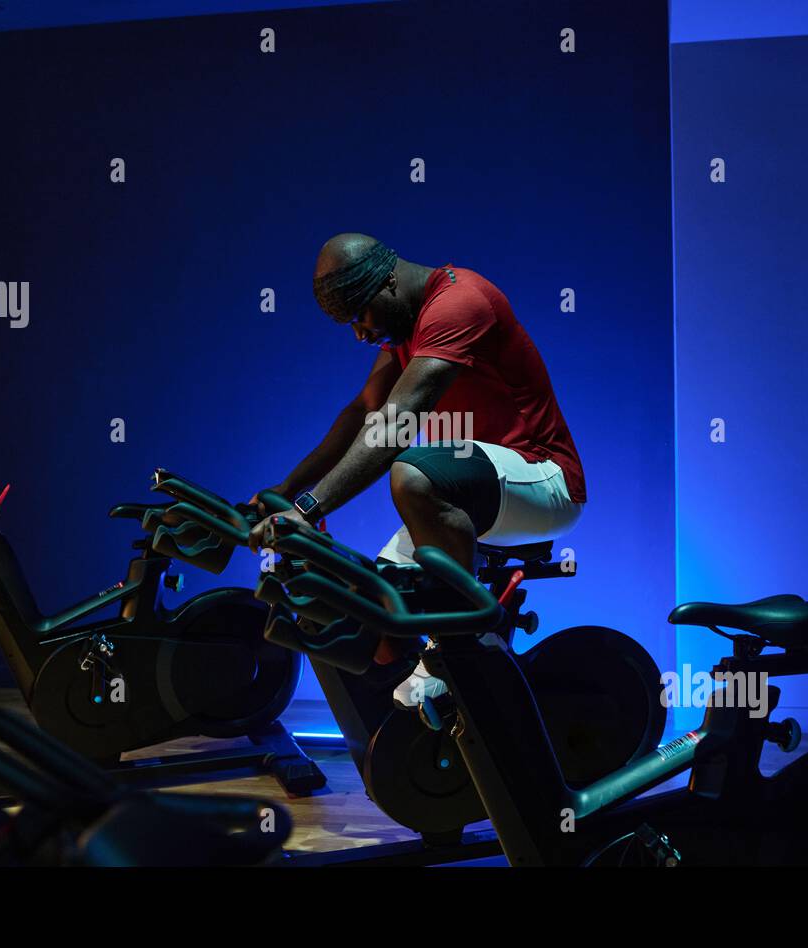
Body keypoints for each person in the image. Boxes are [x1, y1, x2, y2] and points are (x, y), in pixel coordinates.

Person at [248, 232, 586, 712]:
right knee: (381, 621)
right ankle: (427, 741)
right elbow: (365, 411)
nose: (360, 335)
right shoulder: (407, 332)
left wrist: (309, 508)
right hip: (472, 489)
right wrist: (288, 488)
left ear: (388, 285)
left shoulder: (459, 302)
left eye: (360, 316)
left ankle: (458, 645)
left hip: (545, 479)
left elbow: (394, 423)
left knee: (414, 472)